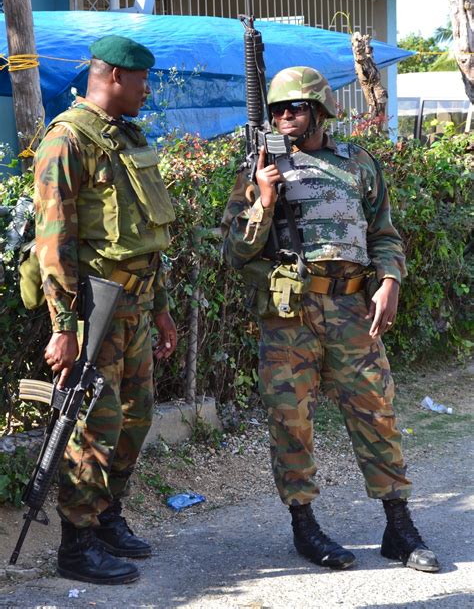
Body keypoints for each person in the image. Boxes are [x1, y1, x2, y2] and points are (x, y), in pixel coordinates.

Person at [221, 66, 439, 573]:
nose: (284, 116)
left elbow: (384, 233)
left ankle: (399, 528)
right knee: (290, 420)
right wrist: (265, 200)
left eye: (294, 107)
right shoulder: (260, 168)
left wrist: (390, 282)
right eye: (276, 109)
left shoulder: (357, 163)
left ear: (320, 112)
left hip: (351, 310)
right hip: (288, 315)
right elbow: (234, 251)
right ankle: (305, 526)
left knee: (376, 412)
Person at [34, 35, 177, 585]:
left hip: (135, 309)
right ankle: (76, 544)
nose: (147, 87)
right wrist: (64, 328)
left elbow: (144, 236)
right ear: (114, 75)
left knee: (134, 421)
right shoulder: (68, 141)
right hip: (95, 311)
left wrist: (161, 309)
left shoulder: (126, 138)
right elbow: (55, 244)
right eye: (141, 78)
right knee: (94, 424)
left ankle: (107, 517)